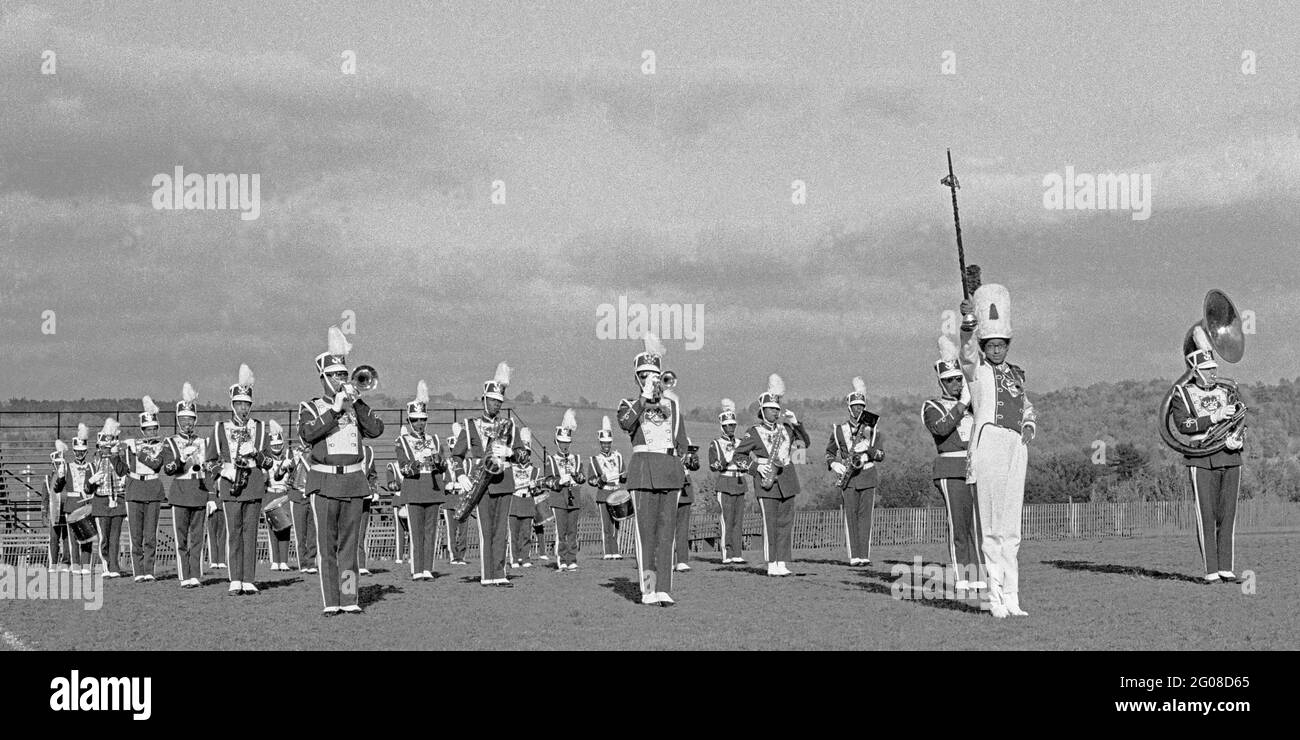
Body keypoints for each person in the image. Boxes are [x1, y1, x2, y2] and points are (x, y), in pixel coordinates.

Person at [959, 285, 1037, 618]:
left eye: (1001, 345)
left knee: (1011, 527)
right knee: (990, 525)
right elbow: (964, 351)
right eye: (991, 345)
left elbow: (1027, 405)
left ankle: (1012, 594)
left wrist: (1030, 423)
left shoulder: (1016, 374)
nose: (996, 350)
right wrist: (967, 323)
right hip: (988, 443)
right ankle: (994, 596)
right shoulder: (976, 370)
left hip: (1015, 447)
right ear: (984, 346)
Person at [299, 326, 385, 615]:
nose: (341, 380)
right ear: (323, 378)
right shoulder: (310, 407)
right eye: (335, 376)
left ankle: (349, 599)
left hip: (353, 483)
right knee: (328, 548)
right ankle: (331, 601)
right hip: (324, 482)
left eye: (343, 375)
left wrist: (356, 401)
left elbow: (376, 429)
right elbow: (307, 434)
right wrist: (334, 410)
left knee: (349, 549)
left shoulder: (354, 407)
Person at [617, 334, 689, 606]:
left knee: (666, 532)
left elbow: (681, 440)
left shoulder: (673, 405)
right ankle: (648, 589)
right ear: (637, 378)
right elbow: (625, 424)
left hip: (669, 470)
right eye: (645, 375)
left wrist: (685, 461)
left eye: (655, 375)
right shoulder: (629, 404)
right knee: (645, 534)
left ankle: (664, 588)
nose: (652, 379)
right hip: (644, 470)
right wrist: (643, 398)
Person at [1170, 333, 1247, 584]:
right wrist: (1213, 418)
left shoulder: (1227, 390)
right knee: (1206, 514)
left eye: (1214, 368)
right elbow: (1183, 424)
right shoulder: (1183, 393)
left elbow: (1240, 418)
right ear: (1195, 370)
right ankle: (1211, 571)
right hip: (1202, 458)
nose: (1213, 373)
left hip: (1229, 456)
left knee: (1228, 514)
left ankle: (1226, 568)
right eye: (1206, 369)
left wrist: (1238, 438)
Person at [449, 362, 527, 588]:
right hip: (481, 483)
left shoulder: (509, 425)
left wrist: (512, 452)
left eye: (500, 401)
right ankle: (487, 574)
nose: (496, 404)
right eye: (493, 400)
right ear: (484, 400)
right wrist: (460, 475)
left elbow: (523, 455)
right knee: (486, 529)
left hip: (504, 481)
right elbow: (457, 455)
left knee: (501, 529)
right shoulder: (470, 425)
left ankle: (499, 572)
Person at [205, 364, 274, 595]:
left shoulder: (261, 428)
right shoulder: (220, 428)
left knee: (250, 533)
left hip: (253, 483)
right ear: (232, 405)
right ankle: (235, 578)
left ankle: (249, 578)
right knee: (233, 532)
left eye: (246, 404)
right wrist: (223, 471)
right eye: (239, 404)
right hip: (230, 483)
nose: (243, 408)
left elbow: (269, 463)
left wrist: (255, 453)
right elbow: (209, 460)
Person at [923, 337, 983, 591]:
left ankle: (978, 574)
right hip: (950, 469)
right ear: (941, 381)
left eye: (959, 379)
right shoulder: (932, 406)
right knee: (958, 524)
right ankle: (961, 575)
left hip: (974, 468)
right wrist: (961, 405)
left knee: (976, 526)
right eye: (950, 380)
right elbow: (942, 428)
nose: (956, 383)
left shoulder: (972, 406)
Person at [735, 374, 810, 577]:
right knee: (770, 523)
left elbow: (805, 443)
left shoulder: (786, 429)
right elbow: (738, 456)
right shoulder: (754, 432)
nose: (775, 412)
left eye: (777, 409)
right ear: (762, 411)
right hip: (767, 481)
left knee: (785, 523)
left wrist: (797, 424)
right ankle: (771, 562)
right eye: (771, 409)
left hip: (787, 480)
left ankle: (782, 561)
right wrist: (755, 468)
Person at [161, 382, 217, 588]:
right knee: (181, 538)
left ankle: (196, 574)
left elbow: (209, 470)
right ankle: (184, 575)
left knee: (197, 538)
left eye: (190, 419)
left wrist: (211, 497)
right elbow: (168, 469)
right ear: (178, 420)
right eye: (183, 419)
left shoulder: (204, 442)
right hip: (181, 491)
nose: (187, 423)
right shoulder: (171, 442)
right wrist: (181, 460)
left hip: (200, 491)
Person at [825, 377, 885, 566]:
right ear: (849, 408)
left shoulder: (873, 430)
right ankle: (854, 556)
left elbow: (881, 454)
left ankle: (864, 555)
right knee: (850, 516)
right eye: (855, 406)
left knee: (866, 517)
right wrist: (834, 464)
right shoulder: (838, 430)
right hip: (849, 477)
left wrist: (867, 452)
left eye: (862, 406)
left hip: (867, 474)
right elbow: (829, 453)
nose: (859, 410)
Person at [395, 380, 446, 581]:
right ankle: (416, 569)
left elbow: (443, 465)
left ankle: (427, 568)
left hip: (432, 488)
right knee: (416, 531)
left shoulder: (434, 439)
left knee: (431, 530)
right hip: (415, 487)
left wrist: (437, 459)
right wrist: (417, 462)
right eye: (415, 420)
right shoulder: (402, 441)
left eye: (422, 419)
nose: (419, 424)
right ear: (409, 421)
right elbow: (404, 467)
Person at [709, 400, 750, 564]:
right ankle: (727, 553)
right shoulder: (716, 443)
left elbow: (747, 461)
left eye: (732, 425)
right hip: (725, 481)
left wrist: (743, 463)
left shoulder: (741, 442)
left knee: (738, 520)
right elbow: (714, 465)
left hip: (739, 481)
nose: (730, 428)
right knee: (727, 520)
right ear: (722, 427)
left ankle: (737, 553)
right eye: (727, 426)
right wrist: (727, 459)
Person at [52, 426, 97, 574]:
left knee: (87, 536)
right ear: (74, 451)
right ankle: (75, 564)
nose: (79, 454)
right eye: (77, 451)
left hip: (86, 503)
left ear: (86, 452)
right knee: (73, 539)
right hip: (71, 505)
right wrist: (59, 478)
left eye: (82, 451)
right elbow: (57, 489)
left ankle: (85, 565)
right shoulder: (67, 466)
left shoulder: (91, 466)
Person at [545, 409, 585, 571]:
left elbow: (583, 477)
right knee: (560, 531)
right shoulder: (551, 460)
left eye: (567, 442)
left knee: (572, 530)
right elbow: (548, 481)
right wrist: (559, 481)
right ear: (557, 442)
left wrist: (577, 476)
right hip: (558, 497)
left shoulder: (576, 458)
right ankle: (562, 559)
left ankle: (572, 558)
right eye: (562, 442)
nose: (565, 445)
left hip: (574, 497)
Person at [90, 418, 127, 578]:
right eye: (104, 447)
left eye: (109, 446)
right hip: (101, 502)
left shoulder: (119, 458)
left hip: (117, 501)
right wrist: (92, 481)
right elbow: (87, 485)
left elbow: (124, 471)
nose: (106, 449)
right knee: (104, 538)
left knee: (115, 538)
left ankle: (115, 567)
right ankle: (106, 566)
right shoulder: (95, 460)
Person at [587, 416, 627, 559]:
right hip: (603, 493)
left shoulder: (618, 457)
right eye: (604, 444)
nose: (606, 446)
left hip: (616, 492)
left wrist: (625, 476)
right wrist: (599, 479)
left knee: (616, 523)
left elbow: (623, 476)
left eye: (608, 443)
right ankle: (607, 552)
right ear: (600, 443)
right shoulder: (595, 460)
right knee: (606, 524)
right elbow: (590, 480)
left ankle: (615, 551)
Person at [507, 428, 542, 569]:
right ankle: (514, 558)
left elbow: (538, 491)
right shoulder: (510, 468)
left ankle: (525, 557)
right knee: (514, 533)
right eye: (521, 452)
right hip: (514, 501)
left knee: (526, 533)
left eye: (526, 453)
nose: (524, 455)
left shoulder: (535, 470)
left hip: (527, 501)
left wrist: (534, 487)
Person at [263, 420, 295, 572]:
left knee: (285, 527)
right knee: (272, 528)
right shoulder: (266, 458)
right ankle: (275, 560)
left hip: (283, 493)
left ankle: (284, 560)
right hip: (270, 494)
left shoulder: (289, 456)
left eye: (278, 445)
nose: (276, 448)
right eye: (274, 445)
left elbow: (294, 474)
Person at [440, 422, 470, 566]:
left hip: (463, 497)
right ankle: (453, 556)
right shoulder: (445, 463)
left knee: (463, 529)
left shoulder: (468, 463)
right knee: (451, 529)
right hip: (449, 498)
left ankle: (462, 556)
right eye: (452, 449)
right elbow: (440, 480)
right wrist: (447, 485)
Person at [287, 438, 318, 574]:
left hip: (312, 494)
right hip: (297, 495)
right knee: (300, 533)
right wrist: (295, 458)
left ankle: (312, 562)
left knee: (313, 532)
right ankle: (303, 563)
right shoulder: (293, 452)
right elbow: (288, 470)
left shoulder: (317, 450)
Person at [673, 442, 702, 572]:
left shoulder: (686, 443)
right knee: (665, 527)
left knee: (683, 527)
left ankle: (682, 560)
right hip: (669, 484)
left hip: (684, 487)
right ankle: (666, 560)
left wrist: (692, 459)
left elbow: (695, 466)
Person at [46, 440, 71, 571]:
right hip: (53, 512)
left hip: (66, 510)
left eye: (60, 463)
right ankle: (53, 564)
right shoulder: (47, 478)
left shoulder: (68, 477)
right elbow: (45, 498)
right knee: (54, 539)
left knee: (67, 538)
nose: (58, 465)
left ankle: (66, 563)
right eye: (56, 463)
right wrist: (44, 514)